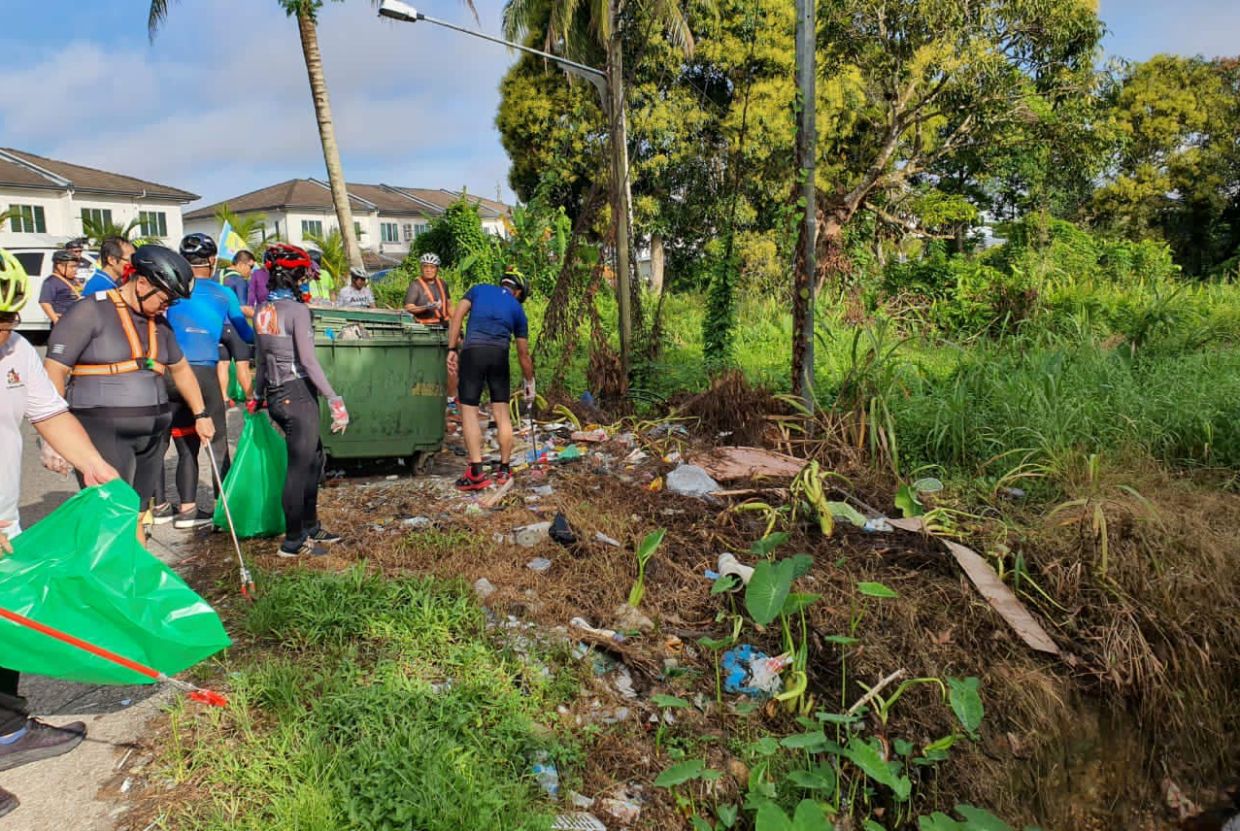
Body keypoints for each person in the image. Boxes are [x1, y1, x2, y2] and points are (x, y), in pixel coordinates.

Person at [0, 247, 122, 820]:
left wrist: (93, 464)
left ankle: (6, 731)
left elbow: (49, 413)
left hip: (5, 523)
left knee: (7, 629)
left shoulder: (18, 349)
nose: (0, 335)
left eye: (5, 323)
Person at [42, 245, 215, 516]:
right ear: (142, 282)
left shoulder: (158, 324)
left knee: (138, 512)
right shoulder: (89, 311)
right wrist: (52, 438)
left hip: (151, 436)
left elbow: (181, 370)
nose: (166, 306)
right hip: (103, 430)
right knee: (112, 514)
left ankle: (137, 558)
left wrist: (201, 414)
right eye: (166, 298)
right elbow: (55, 370)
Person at [251, 244, 348, 557]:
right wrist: (334, 398)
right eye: (305, 275)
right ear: (295, 277)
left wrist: (257, 393)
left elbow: (262, 360)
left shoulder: (264, 310)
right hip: (298, 393)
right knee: (299, 467)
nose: (308, 280)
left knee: (313, 459)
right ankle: (293, 542)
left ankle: (310, 526)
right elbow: (308, 361)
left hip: (277, 394)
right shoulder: (297, 312)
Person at [154, 233, 254, 528]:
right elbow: (244, 334)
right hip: (201, 372)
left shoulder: (169, 289)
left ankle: (161, 507)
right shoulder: (223, 293)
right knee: (217, 441)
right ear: (212, 260)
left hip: (166, 370)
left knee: (165, 442)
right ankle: (225, 509)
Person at [445, 266, 534, 491]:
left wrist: (452, 348)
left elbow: (457, 316)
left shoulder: (478, 290)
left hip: (473, 353)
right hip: (499, 356)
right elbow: (523, 354)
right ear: (518, 292)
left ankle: (476, 472)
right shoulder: (517, 310)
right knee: (501, 412)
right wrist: (529, 382)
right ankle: (504, 469)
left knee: (469, 411)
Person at [403, 253, 459, 406]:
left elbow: (449, 305)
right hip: (426, 329)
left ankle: (451, 399)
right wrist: (425, 307)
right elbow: (409, 307)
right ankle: (426, 396)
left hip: (445, 327)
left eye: (432, 267)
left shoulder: (442, 284)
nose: (428, 270)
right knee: (428, 365)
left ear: (436, 269)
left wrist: (457, 325)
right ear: (422, 268)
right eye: (426, 267)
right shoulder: (416, 285)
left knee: (453, 364)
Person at [37, 249, 83, 325]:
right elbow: (45, 303)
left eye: (76, 266)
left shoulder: (74, 280)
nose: (75, 269)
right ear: (60, 266)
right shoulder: (51, 281)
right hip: (63, 321)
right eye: (72, 267)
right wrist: (56, 321)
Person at [220, 250, 256, 317]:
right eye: (251, 267)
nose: (251, 271)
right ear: (240, 264)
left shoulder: (216, 273)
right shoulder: (239, 280)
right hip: (228, 323)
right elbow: (244, 309)